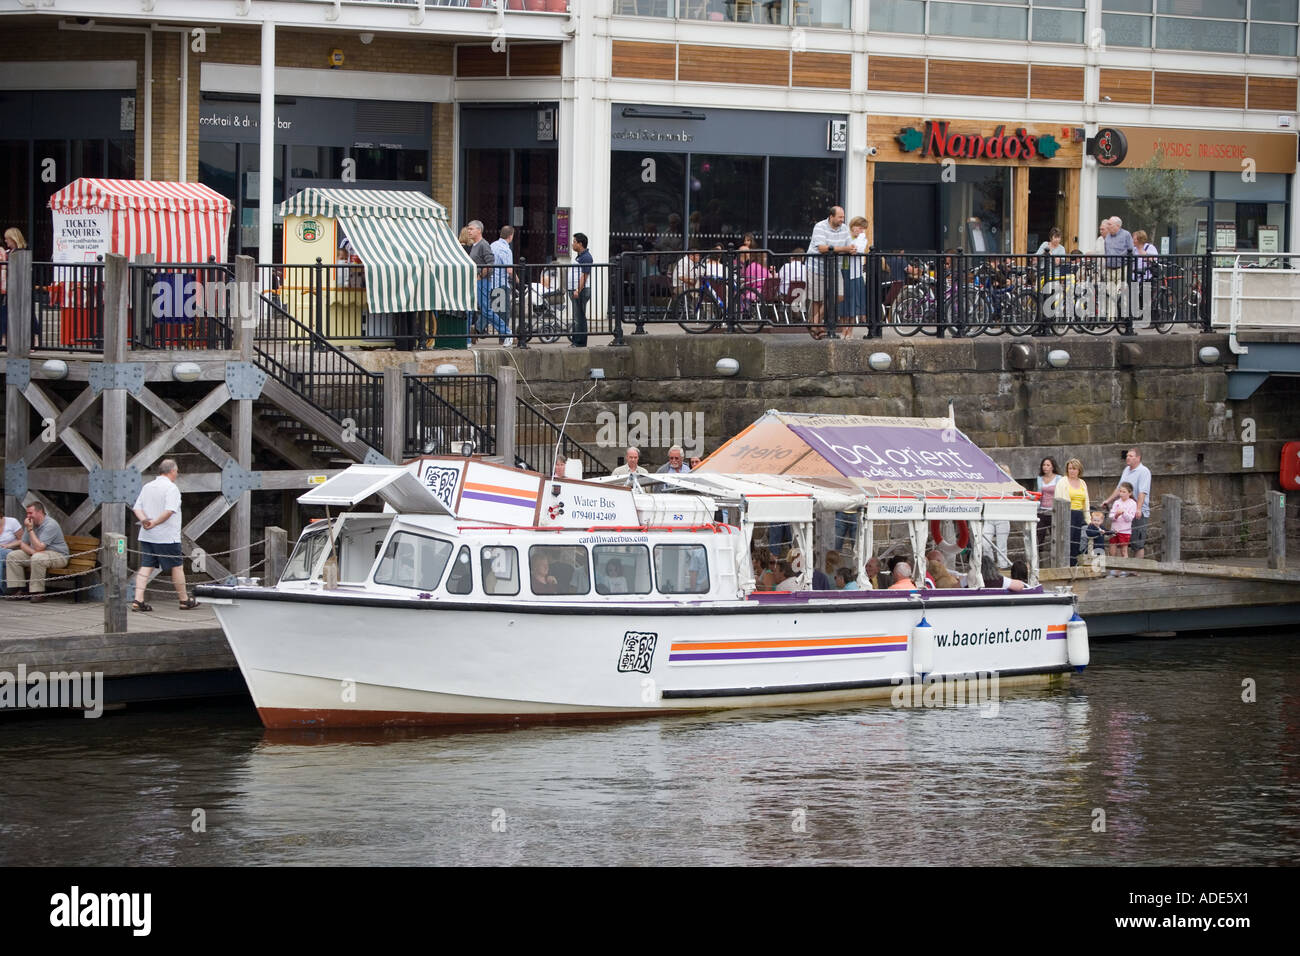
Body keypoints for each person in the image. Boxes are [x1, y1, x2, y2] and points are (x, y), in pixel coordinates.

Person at [131, 458, 197, 611]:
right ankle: (184, 599)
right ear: (172, 471)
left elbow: (137, 508)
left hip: (147, 535)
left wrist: (145, 521)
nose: (177, 473)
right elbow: (169, 511)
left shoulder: (147, 486)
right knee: (177, 566)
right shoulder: (171, 488)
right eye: (176, 471)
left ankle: (138, 599)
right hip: (167, 536)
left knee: (146, 566)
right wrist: (154, 523)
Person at [5, 501, 69, 602]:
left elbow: (40, 547)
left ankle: (38, 593)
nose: (28, 516)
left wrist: (30, 530)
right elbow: (23, 543)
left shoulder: (50, 524)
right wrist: (33, 552)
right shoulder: (31, 523)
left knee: (38, 557)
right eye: (27, 513)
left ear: (40, 512)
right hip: (38, 554)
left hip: (58, 555)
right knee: (13, 556)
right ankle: (19, 590)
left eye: (30, 513)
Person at [806, 205, 853, 339]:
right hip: (817, 267)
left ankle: (814, 321)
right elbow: (822, 248)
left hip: (834, 268)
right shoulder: (820, 227)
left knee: (839, 296)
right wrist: (845, 248)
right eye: (840, 217)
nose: (842, 220)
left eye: (843, 217)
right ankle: (817, 327)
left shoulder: (844, 228)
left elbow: (848, 245)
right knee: (817, 299)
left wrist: (852, 249)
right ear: (831, 217)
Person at [1102, 447, 1152, 559]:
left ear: (1138, 458)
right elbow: (1119, 488)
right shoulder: (1126, 470)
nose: (1127, 458)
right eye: (1127, 456)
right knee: (1121, 543)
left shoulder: (1144, 471)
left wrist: (1138, 509)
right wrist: (1108, 500)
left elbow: (1142, 492)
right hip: (1124, 511)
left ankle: (1137, 571)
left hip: (1138, 512)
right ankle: (1122, 570)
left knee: (1137, 543)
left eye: (1131, 456)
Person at [467, 220, 511, 346]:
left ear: (479, 230)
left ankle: (507, 333)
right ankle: (467, 340)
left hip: (482, 282)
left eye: (471, 229)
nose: (469, 231)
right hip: (475, 282)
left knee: (486, 310)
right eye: (468, 229)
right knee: (469, 310)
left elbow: (490, 263)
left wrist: (480, 276)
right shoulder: (475, 246)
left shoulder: (483, 244)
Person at [1, 227, 29, 350]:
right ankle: (4, 340)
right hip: (8, 288)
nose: (6, 241)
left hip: (20, 289)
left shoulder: (23, 251)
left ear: (13, 238)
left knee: (29, 315)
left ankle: (34, 341)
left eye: (7, 239)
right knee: (4, 313)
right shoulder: (8, 253)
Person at [843, 215, 869, 336]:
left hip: (855, 273)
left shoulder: (862, 238)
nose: (862, 231)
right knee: (843, 301)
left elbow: (859, 249)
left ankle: (850, 331)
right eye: (860, 228)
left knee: (853, 301)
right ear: (853, 226)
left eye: (863, 229)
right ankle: (843, 329)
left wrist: (861, 236)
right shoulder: (845, 236)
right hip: (843, 271)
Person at [1061, 457, 1090, 566]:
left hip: (1079, 513)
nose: (1072, 471)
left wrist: (1088, 519)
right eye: (1070, 468)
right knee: (1067, 541)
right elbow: (1059, 499)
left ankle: (1073, 564)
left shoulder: (1082, 483)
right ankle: (1065, 565)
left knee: (1076, 542)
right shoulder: (1063, 482)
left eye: (1074, 468)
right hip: (1068, 513)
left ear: (1079, 470)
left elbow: (1086, 501)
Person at [490, 224, 515, 338]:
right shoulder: (506, 249)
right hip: (502, 283)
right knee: (504, 311)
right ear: (510, 236)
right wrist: (518, 280)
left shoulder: (492, 245)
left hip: (492, 282)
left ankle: (478, 328)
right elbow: (509, 269)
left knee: (493, 310)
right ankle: (503, 336)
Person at [569, 232, 592, 347]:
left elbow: (584, 275)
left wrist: (578, 289)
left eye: (574, 242)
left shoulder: (586, 257)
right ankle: (576, 341)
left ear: (580, 244)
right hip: (576, 290)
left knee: (579, 318)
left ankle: (579, 342)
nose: (572, 244)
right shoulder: (580, 256)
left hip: (581, 290)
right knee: (577, 317)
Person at [1108, 482, 1138, 562]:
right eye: (1120, 491)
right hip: (1114, 530)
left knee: (1124, 551)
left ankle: (1124, 569)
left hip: (1125, 531)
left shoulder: (1133, 503)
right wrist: (1116, 516)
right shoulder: (1117, 502)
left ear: (1130, 493)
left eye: (1124, 492)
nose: (1121, 493)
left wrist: (1124, 513)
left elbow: (1130, 519)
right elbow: (1111, 516)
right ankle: (1113, 570)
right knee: (1112, 551)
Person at [1036, 456, 1062, 546]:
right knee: (1039, 535)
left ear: (1052, 467)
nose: (1045, 467)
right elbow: (1038, 493)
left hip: (1053, 511)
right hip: (1041, 510)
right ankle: (1038, 557)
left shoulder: (1059, 478)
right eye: (1044, 465)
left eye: (1048, 465)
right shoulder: (1039, 478)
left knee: (1055, 536)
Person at [0, 512, 21, 595]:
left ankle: (2, 589)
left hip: (12, 552)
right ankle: (3, 589)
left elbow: (23, 540)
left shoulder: (12, 522)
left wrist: (8, 545)